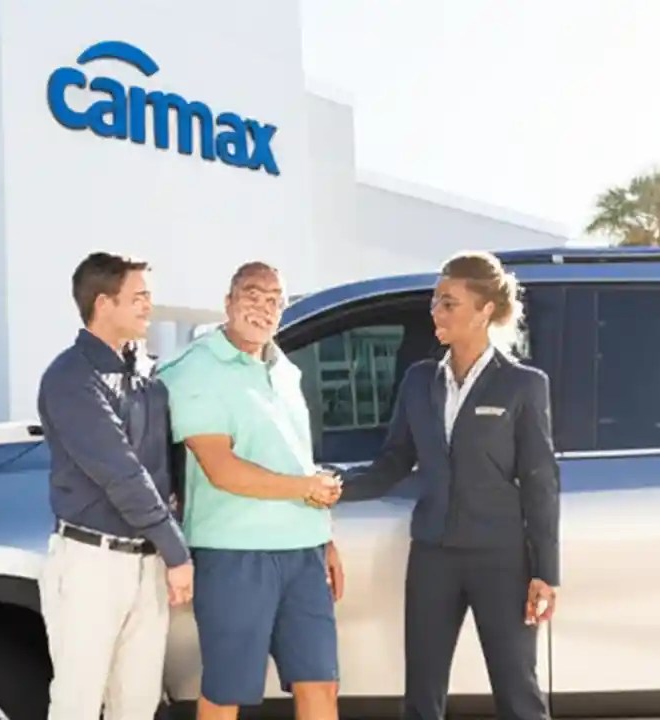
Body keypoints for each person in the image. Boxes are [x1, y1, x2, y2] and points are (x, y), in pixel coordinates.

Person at [338, 250, 560, 720]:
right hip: (433, 554)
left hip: (501, 558)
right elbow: (394, 460)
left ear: (485, 310)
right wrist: (338, 487)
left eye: (449, 303)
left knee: (517, 690)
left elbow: (541, 480)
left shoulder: (523, 385)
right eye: (436, 301)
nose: (436, 312)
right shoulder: (420, 381)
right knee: (421, 695)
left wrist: (546, 571)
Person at [156, 261, 346, 720]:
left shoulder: (284, 369)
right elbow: (222, 469)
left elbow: (292, 456)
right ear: (228, 302)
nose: (263, 308)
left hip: (303, 552)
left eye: (274, 299)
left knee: (321, 683)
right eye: (252, 295)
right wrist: (307, 488)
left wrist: (324, 538)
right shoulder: (192, 369)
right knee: (226, 693)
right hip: (235, 554)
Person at [37, 251, 194, 720]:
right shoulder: (70, 378)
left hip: (146, 566)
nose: (150, 305)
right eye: (139, 296)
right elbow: (120, 471)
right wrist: (177, 550)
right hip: (92, 566)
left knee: (138, 706)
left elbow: (168, 462)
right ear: (104, 303)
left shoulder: (147, 372)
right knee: (77, 705)